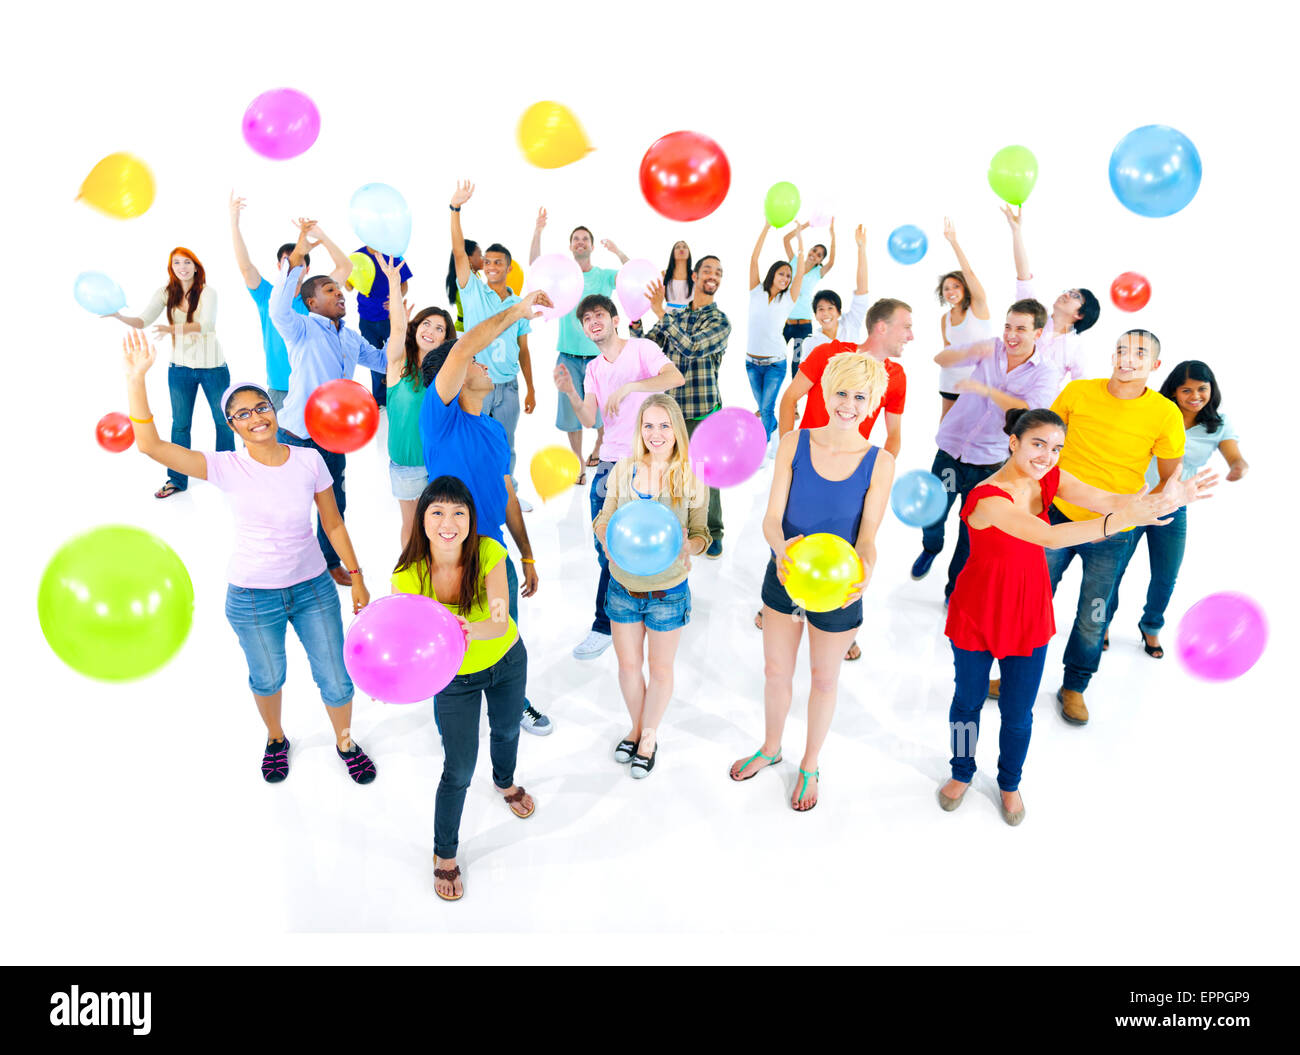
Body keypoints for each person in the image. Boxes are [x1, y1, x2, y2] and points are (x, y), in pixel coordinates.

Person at [122, 329, 377, 786]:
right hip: (253, 597)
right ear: (233, 427)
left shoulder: (309, 460)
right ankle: (276, 738)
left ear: (273, 410)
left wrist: (356, 576)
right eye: (241, 414)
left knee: (336, 678)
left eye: (260, 407)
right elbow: (152, 446)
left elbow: (333, 524)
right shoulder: (224, 466)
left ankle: (344, 740)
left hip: (314, 587)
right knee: (268, 678)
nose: (255, 417)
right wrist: (136, 379)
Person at [938, 409, 1202, 825]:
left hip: (1028, 609)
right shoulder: (988, 496)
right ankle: (961, 770)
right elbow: (1050, 536)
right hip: (978, 610)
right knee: (967, 702)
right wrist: (1122, 522)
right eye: (1038, 444)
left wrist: (1163, 500)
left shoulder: (1051, 478)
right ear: (1014, 442)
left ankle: (1009, 782)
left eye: (1057, 447)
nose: (1048, 455)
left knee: (1019, 710)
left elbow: (1109, 500)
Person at [731, 352, 894, 810]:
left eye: (860, 397)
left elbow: (868, 541)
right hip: (784, 575)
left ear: (872, 403)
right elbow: (770, 520)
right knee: (776, 671)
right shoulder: (792, 443)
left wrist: (866, 573)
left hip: (840, 589)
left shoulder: (880, 463)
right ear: (826, 392)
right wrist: (782, 553)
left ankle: (810, 763)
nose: (848, 404)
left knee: (824, 680)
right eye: (841, 392)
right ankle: (771, 746)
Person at [1040, 329, 1198, 725]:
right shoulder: (1078, 392)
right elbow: (1044, 443)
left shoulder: (1165, 413)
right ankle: (1013, 675)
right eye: (1123, 349)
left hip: (1112, 530)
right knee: (1032, 599)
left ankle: (1074, 686)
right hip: (1055, 517)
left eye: (1140, 353)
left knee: (1093, 615)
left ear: (1155, 365)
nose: (1128, 358)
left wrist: (1153, 504)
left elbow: (1167, 476)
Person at [391, 477, 535, 901]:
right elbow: (405, 636)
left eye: (459, 513)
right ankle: (445, 855)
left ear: (471, 519)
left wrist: (456, 628)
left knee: (508, 731)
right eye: (437, 512)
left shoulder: (490, 552)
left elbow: (498, 620)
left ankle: (505, 783)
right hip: (453, 680)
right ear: (422, 520)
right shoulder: (408, 573)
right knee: (458, 767)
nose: (448, 522)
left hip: (506, 662)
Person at [420, 289, 555, 736]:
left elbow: (508, 496)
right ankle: (450, 708)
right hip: (450, 555)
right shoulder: (439, 419)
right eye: (476, 363)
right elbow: (462, 348)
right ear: (453, 379)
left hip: (495, 553)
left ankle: (513, 703)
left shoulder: (494, 430)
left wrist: (528, 556)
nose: (484, 364)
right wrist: (516, 312)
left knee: (502, 633)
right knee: (453, 637)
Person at [770, 298, 910, 660]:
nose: (910, 335)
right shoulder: (827, 355)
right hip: (808, 462)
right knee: (790, 529)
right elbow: (789, 399)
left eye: (858, 396)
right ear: (882, 327)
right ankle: (783, 601)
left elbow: (893, 435)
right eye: (905, 327)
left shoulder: (896, 377)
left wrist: (873, 477)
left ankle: (838, 621)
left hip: (853, 470)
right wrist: (789, 454)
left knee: (849, 537)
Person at [554, 295, 685, 661]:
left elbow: (674, 376)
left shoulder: (642, 349)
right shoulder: (594, 368)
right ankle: (610, 623)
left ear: (614, 320)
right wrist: (570, 393)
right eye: (586, 319)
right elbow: (588, 417)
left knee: (657, 543)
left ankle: (649, 614)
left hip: (649, 463)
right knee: (607, 549)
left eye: (599, 315)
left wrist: (630, 387)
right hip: (610, 466)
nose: (593, 322)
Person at [592, 395, 711, 777]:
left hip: (668, 592)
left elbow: (701, 534)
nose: (656, 434)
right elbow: (603, 519)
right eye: (648, 426)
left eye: (664, 426)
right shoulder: (623, 470)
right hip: (623, 588)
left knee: (660, 669)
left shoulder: (692, 476)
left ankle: (648, 735)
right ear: (639, 430)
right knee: (628, 666)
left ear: (676, 430)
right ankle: (636, 726)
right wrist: (606, 539)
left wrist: (687, 548)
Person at [269, 218, 388, 587]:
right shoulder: (301, 328)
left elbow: (385, 362)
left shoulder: (351, 339)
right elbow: (277, 308)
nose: (340, 293)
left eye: (340, 289)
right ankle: (286, 564)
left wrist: (400, 319)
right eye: (329, 289)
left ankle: (329, 558)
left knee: (334, 500)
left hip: (334, 439)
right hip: (297, 435)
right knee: (292, 506)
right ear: (310, 303)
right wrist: (302, 249)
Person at [910, 297, 1057, 593]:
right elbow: (941, 360)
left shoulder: (1046, 372)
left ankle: (955, 588)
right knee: (933, 512)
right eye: (1008, 326)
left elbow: (1028, 411)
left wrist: (985, 390)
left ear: (1038, 333)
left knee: (971, 531)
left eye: (1020, 329)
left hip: (990, 462)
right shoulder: (990, 347)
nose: (1011, 335)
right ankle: (931, 546)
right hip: (952, 450)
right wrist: (961, 351)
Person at [1106, 361, 1248, 657]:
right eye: (1186, 390)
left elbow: (1234, 454)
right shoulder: (1156, 412)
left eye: (1201, 389)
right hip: (1134, 501)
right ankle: (1102, 624)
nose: (1195, 395)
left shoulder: (1218, 424)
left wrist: (1238, 466)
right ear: (1174, 391)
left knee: (1166, 574)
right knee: (1113, 568)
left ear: (1211, 390)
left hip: (1173, 506)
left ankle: (1151, 626)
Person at [107, 246, 231, 498]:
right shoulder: (166, 292)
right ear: (171, 267)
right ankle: (177, 479)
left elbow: (206, 325)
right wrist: (119, 316)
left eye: (187, 262)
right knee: (180, 426)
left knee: (223, 423)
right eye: (177, 263)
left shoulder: (208, 293)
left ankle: (227, 476)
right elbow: (144, 320)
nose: (182, 268)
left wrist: (172, 330)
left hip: (213, 368)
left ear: (196, 266)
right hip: (180, 369)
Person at [629, 259, 732, 557]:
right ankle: (670, 526)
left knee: (706, 475)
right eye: (709, 271)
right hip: (672, 411)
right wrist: (637, 319)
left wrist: (662, 312)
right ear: (696, 276)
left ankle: (713, 533)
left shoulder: (720, 321)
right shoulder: (676, 316)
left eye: (719, 272)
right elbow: (646, 348)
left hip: (703, 411)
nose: (713, 276)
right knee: (666, 470)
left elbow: (692, 347)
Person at [450, 182, 536, 504]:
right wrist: (455, 210)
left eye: (498, 262)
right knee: (473, 441)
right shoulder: (472, 291)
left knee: (505, 443)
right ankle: (470, 496)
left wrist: (531, 388)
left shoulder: (518, 305)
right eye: (487, 261)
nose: (491, 266)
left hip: (509, 386)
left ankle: (506, 494)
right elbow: (459, 251)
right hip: (476, 384)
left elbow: (524, 350)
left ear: (509, 267)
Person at [228, 193, 351, 411]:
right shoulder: (267, 294)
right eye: (287, 261)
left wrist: (320, 235)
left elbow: (345, 268)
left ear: (308, 269)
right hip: (280, 387)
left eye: (299, 261)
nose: (293, 265)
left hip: (316, 384)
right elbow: (245, 266)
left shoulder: (316, 297)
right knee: (279, 443)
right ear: (279, 266)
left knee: (321, 443)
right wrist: (234, 222)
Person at [530, 207, 629, 475]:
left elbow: (632, 276)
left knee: (605, 409)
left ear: (592, 246)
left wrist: (619, 252)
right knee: (571, 412)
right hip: (568, 356)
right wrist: (538, 230)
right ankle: (578, 463)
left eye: (585, 238)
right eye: (576, 239)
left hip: (601, 357)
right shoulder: (562, 274)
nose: (581, 242)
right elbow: (534, 267)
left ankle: (600, 445)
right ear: (571, 246)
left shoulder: (604, 275)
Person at [375, 252, 456, 545]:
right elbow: (397, 327)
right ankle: (410, 580)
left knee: (440, 531)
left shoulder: (447, 373)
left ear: (446, 339)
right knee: (412, 529)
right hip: (407, 465)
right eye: (426, 324)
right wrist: (394, 282)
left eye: (439, 328)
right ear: (416, 326)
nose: (430, 331)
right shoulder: (398, 365)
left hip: (441, 462)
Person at [1004, 205, 1100, 382]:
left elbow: (1079, 387)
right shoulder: (1033, 315)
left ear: (1080, 314)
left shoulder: (1075, 348)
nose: (1067, 295)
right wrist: (1016, 231)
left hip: (1038, 408)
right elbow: (1024, 275)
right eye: (1068, 291)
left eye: (1075, 296)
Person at [747, 223, 805, 445]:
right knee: (764, 409)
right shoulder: (756, 291)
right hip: (751, 363)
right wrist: (766, 228)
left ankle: (763, 448)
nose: (786, 278)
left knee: (766, 408)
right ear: (773, 274)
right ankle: (778, 432)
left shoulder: (788, 299)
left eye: (788, 276)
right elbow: (754, 259)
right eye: (781, 273)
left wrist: (799, 241)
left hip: (775, 364)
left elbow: (800, 271)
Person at [935, 217, 994, 421]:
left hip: (978, 384)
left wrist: (953, 242)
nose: (951, 291)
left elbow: (969, 272)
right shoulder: (946, 318)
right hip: (950, 381)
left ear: (965, 287)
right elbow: (947, 349)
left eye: (956, 286)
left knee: (974, 431)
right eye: (946, 288)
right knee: (947, 427)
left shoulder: (978, 307)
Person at [349, 244, 412, 410]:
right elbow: (349, 286)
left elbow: (404, 285)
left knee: (397, 357)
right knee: (374, 361)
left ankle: (398, 396)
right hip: (366, 318)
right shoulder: (357, 256)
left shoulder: (393, 255)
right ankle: (379, 400)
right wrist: (349, 274)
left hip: (391, 318)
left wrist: (396, 297)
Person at [800, 225, 869, 363]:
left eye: (830, 308)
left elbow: (862, 289)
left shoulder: (851, 323)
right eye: (821, 309)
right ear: (815, 315)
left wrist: (861, 249)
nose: (825, 313)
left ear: (839, 312)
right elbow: (804, 379)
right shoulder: (810, 343)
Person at [782, 220, 836, 378]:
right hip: (785, 323)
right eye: (814, 250)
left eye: (819, 255)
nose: (814, 255)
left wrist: (832, 235)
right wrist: (804, 226)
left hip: (803, 326)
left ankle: (794, 401)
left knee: (797, 362)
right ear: (809, 250)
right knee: (775, 356)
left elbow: (832, 261)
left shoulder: (818, 272)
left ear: (820, 261)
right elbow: (785, 239)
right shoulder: (794, 262)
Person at [446, 238, 484, 333]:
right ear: (468, 258)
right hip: (463, 332)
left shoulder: (476, 275)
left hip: (473, 330)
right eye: (480, 254)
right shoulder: (466, 279)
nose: (483, 258)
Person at [662, 240, 693, 311]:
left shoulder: (695, 276)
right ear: (673, 253)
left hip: (690, 316)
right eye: (677, 247)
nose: (681, 249)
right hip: (669, 316)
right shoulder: (664, 274)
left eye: (685, 247)